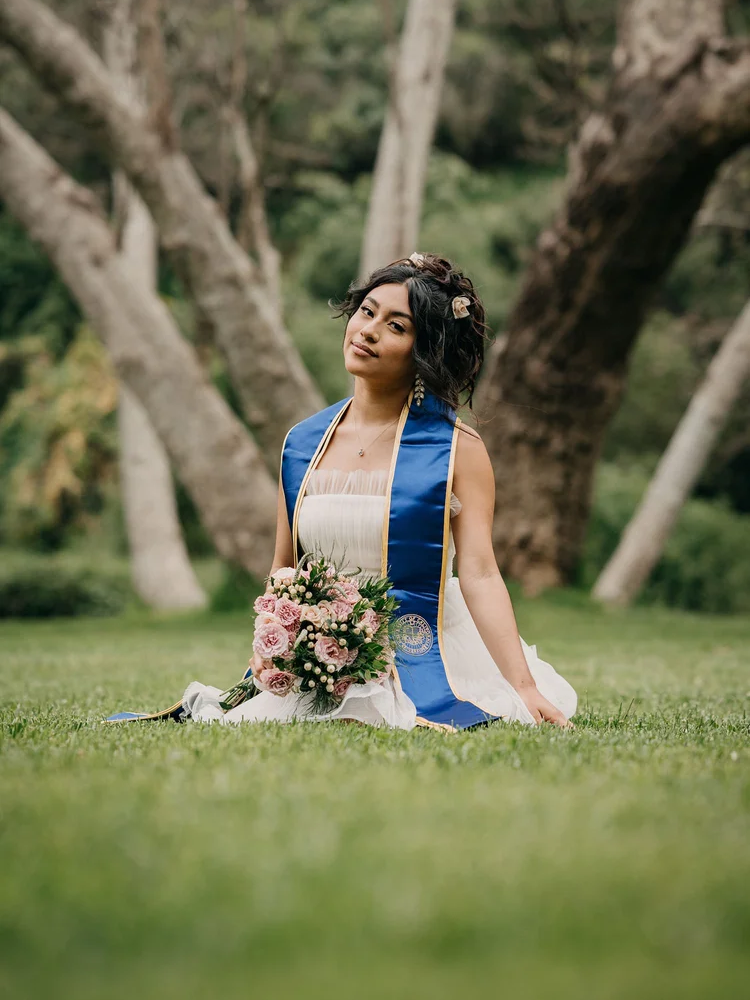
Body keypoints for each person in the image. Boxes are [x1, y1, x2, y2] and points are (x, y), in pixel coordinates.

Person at [181, 253, 576, 730]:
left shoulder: (456, 449)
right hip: (322, 656)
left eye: (396, 326)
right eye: (366, 312)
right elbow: (284, 567)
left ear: (424, 349)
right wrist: (273, 639)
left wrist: (524, 686)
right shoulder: (302, 443)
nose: (367, 331)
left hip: (423, 649)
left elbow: (480, 572)